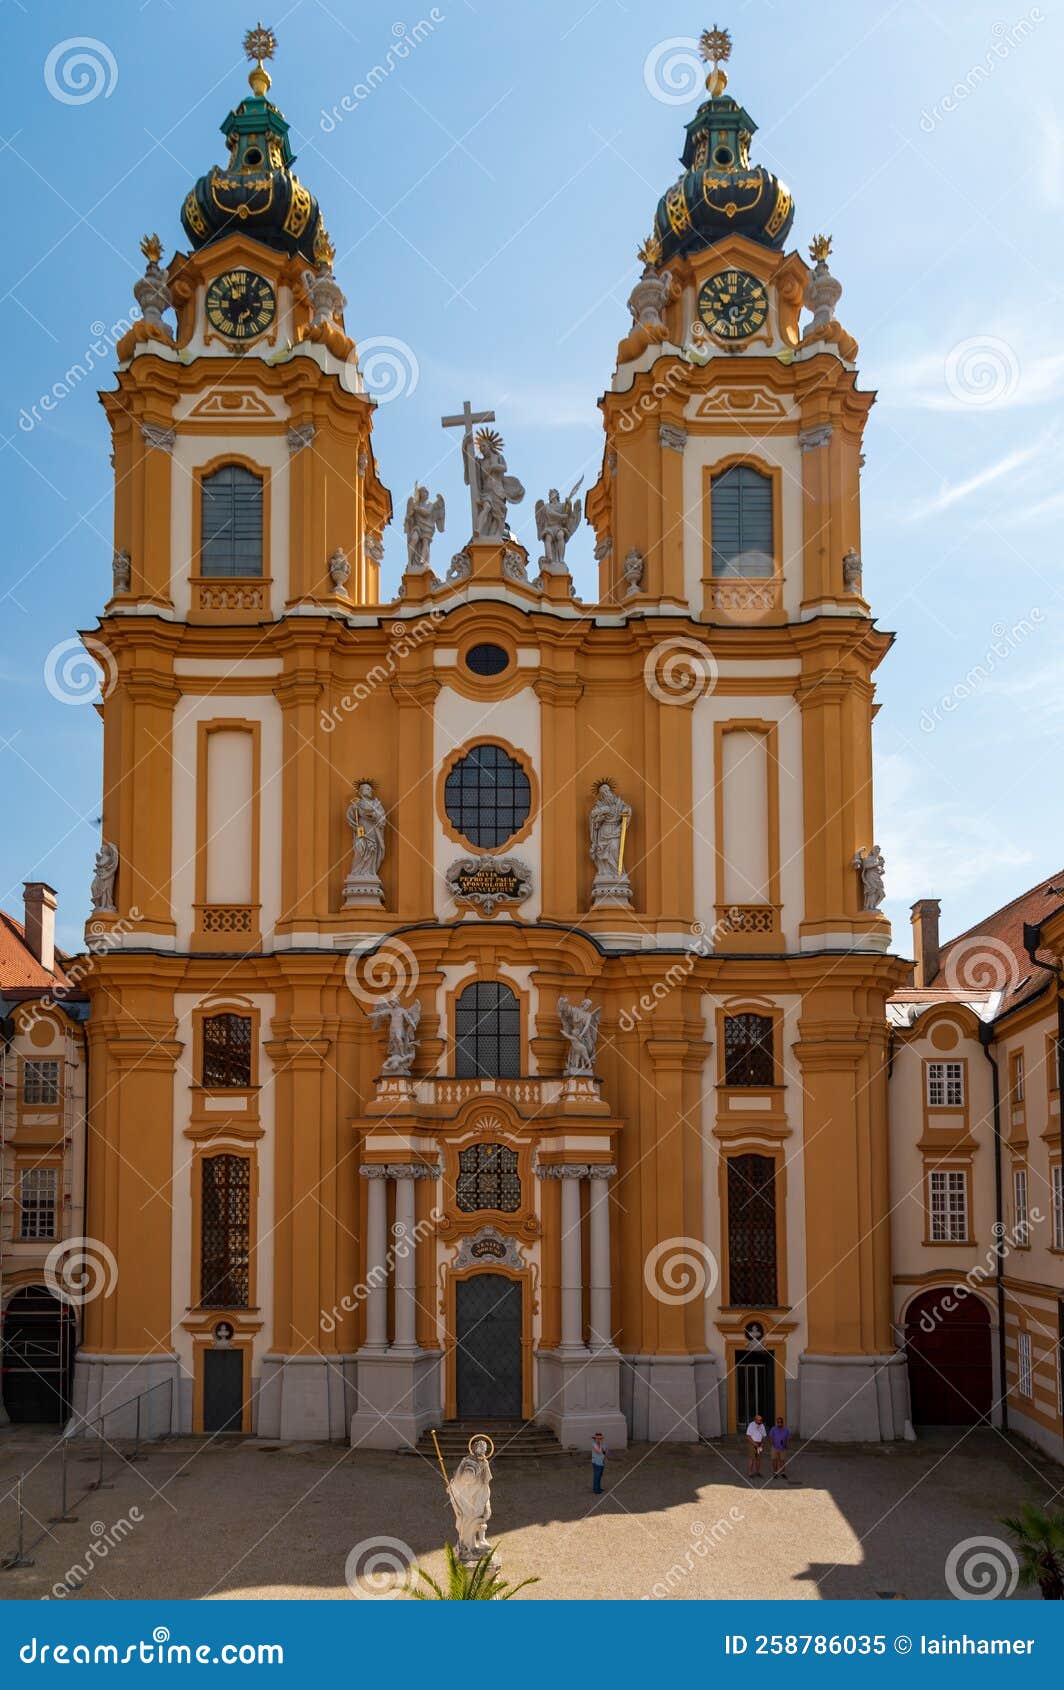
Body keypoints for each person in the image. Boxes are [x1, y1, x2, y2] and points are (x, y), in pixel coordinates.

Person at [745, 1413, 767, 1478]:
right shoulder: (751, 1425)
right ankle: (750, 1473)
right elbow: (748, 1436)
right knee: (752, 1459)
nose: (760, 1421)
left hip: (760, 1444)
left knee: (758, 1459)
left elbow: (764, 1436)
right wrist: (754, 1444)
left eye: (761, 1420)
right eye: (758, 1420)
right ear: (755, 1420)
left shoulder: (762, 1426)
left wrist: (762, 1443)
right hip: (752, 1444)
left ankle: (757, 1472)